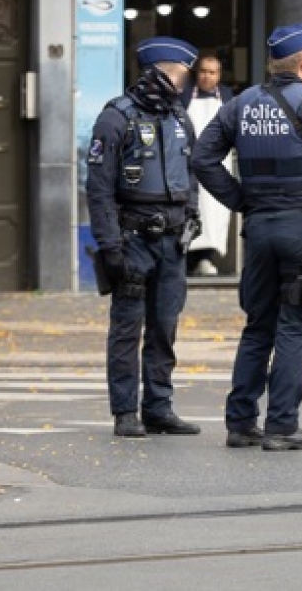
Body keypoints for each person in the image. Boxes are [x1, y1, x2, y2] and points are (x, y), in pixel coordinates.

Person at [192, 23, 302, 452]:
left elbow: (202, 157)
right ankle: (283, 426)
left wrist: (240, 200)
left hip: (258, 228)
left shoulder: (242, 105)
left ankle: (240, 423)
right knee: (294, 326)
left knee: (258, 325)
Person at [86, 36, 203, 438]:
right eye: (183, 75)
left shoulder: (178, 118)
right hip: (132, 239)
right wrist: (109, 245)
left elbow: (190, 173)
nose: (186, 82)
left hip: (172, 241)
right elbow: (98, 188)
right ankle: (125, 412)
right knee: (126, 328)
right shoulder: (116, 117)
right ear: (167, 73)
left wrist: (192, 215)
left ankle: (158, 407)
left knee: (164, 328)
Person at [180, 54, 235, 276]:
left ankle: (206, 258)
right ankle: (187, 258)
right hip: (188, 163)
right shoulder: (184, 96)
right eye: (203, 71)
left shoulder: (228, 96)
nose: (207, 76)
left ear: (219, 75)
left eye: (212, 73)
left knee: (215, 212)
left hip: (218, 163)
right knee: (190, 210)